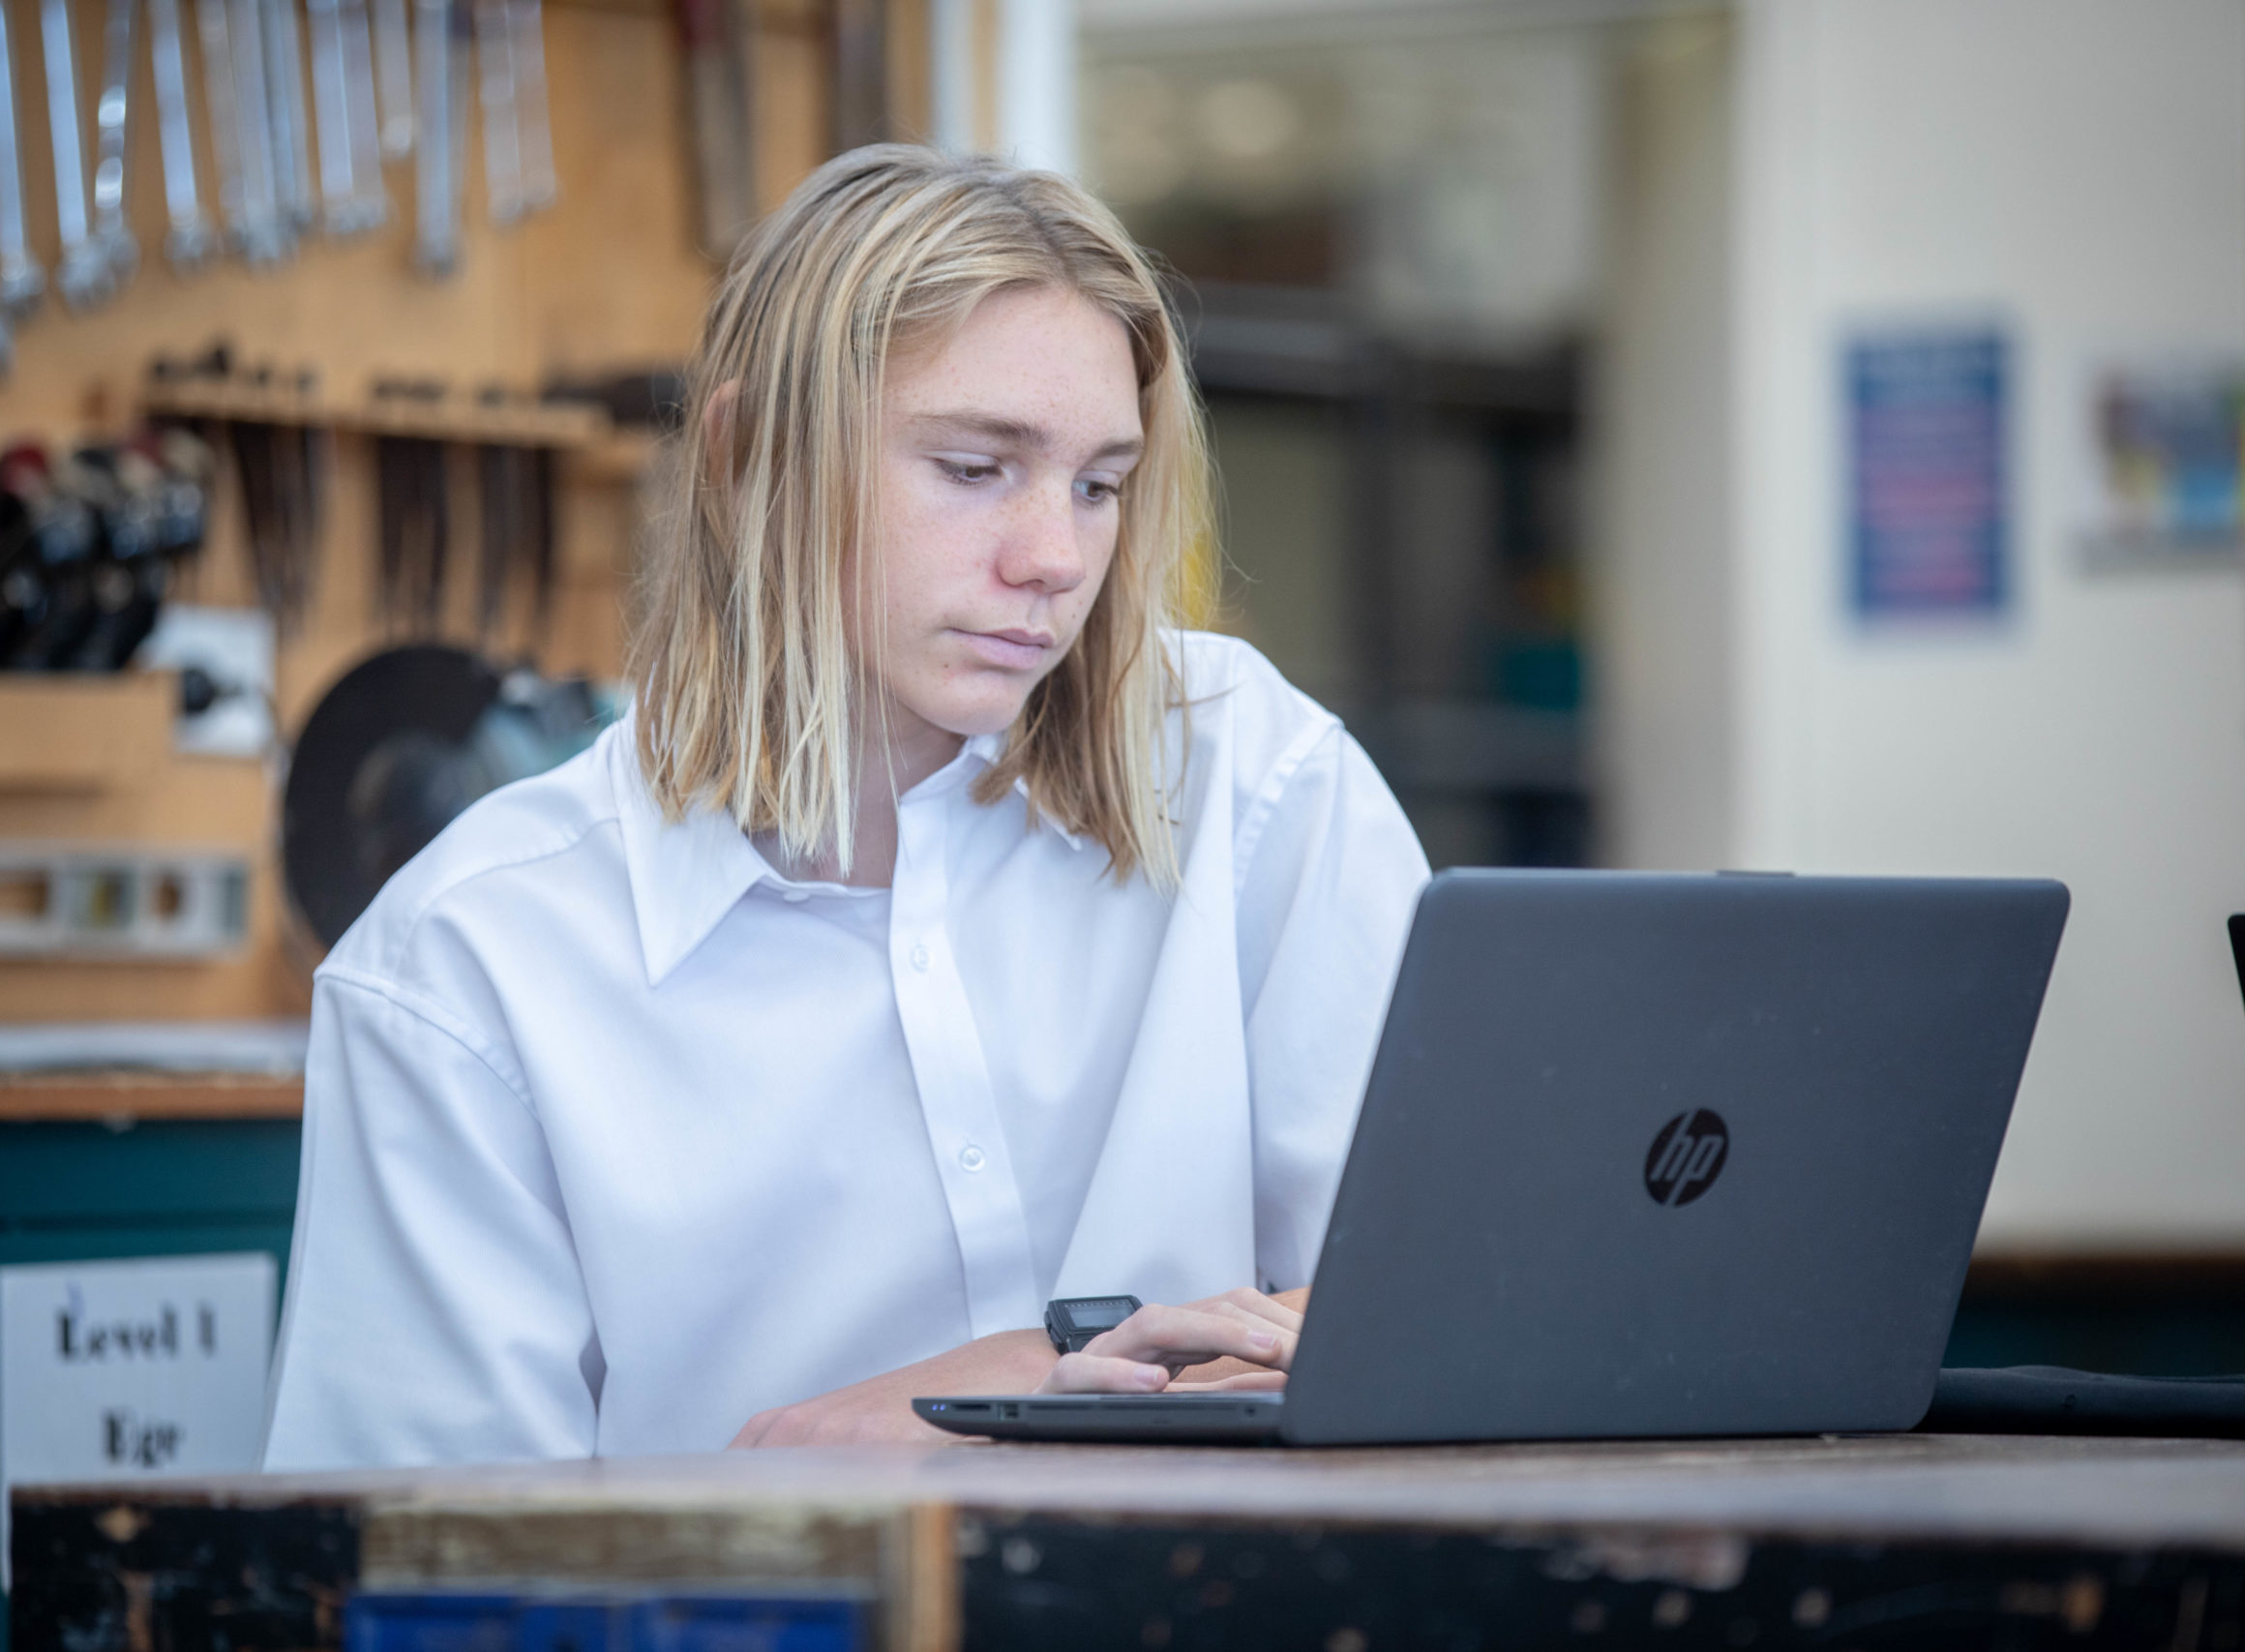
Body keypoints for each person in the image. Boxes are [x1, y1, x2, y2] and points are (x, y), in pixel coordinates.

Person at [260, 146, 1428, 1467]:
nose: (1053, 556)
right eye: (976, 468)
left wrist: (1027, 1383)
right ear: (752, 452)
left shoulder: (1251, 778)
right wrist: (791, 1500)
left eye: (1099, 484)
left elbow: (1483, 1301)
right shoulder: (465, 977)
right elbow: (429, 1577)